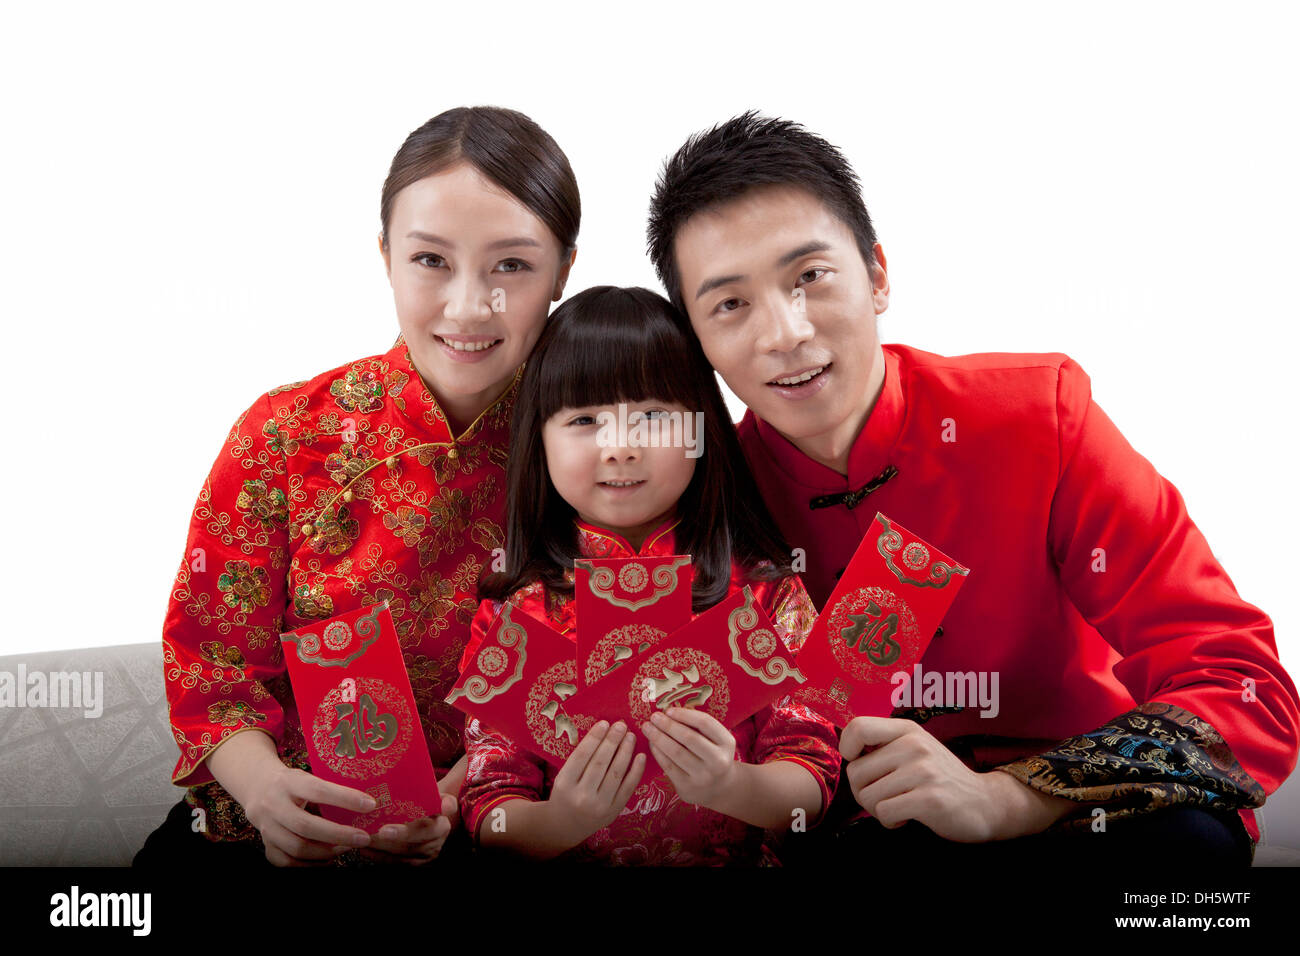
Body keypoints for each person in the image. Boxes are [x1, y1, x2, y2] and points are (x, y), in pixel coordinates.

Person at [644, 112, 1300, 866]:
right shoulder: (702, 498)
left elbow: (1242, 680)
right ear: (696, 340)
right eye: (730, 304)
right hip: (876, 829)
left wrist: (1011, 797)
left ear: (878, 274)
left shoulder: (1036, 417)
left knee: (1185, 845)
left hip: (1081, 806)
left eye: (810, 277)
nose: (784, 333)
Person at [135, 106, 580, 867]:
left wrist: (463, 793)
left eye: (511, 265)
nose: (469, 306)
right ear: (385, 255)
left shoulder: (595, 450)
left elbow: (596, 658)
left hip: (504, 822)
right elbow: (211, 665)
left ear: (564, 270)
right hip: (271, 822)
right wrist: (269, 792)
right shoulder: (282, 434)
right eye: (431, 261)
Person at [456, 286, 841, 864]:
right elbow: (491, 805)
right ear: (538, 440)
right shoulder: (516, 613)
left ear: (702, 428)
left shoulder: (763, 589)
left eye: (655, 416)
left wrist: (733, 786)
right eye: (585, 419)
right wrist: (561, 820)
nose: (621, 448)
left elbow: (812, 778)